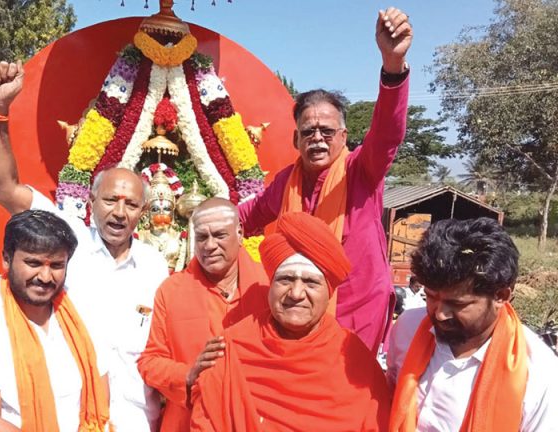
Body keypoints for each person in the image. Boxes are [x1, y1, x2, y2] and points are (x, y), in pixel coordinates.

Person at [0, 62, 169, 430]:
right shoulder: (68, 241)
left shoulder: (156, 265)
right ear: (91, 202)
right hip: (69, 420)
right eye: (110, 200)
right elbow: (5, 187)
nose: (119, 212)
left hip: (139, 421)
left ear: (143, 212)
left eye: (131, 204)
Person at [238, 8, 412, 353]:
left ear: (344, 135)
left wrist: (393, 67)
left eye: (327, 131)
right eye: (308, 132)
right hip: (298, 304)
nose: (317, 139)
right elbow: (246, 218)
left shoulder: (362, 169)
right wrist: (203, 224)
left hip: (355, 307)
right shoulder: (286, 181)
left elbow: (387, 133)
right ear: (296, 141)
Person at [190, 211, 391, 431]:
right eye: (285, 279)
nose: (296, 293)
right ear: (271, 284)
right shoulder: (230, 348)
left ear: (329, 292)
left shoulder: (353, 358)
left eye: (310, 282)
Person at [388, 218, 558, 431]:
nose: (439, 314)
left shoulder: (539, 372)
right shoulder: (408, 327)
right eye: (431, 297)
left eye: (456, 303)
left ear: (501, 296)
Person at [0, 210, 109, 431]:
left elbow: (100, 390)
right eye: (33, 263)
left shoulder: (81, 311)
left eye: (56, 265)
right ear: (6, 259)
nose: (45, 277)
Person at [138, 198, 269, 431]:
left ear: (240, 233)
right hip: (187, 420)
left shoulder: (267, 287)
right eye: (201, 237)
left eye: (219, 235)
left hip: (257, 417)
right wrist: (188, 374)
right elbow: (150, 361)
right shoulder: (171, 290)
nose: (209, 245)